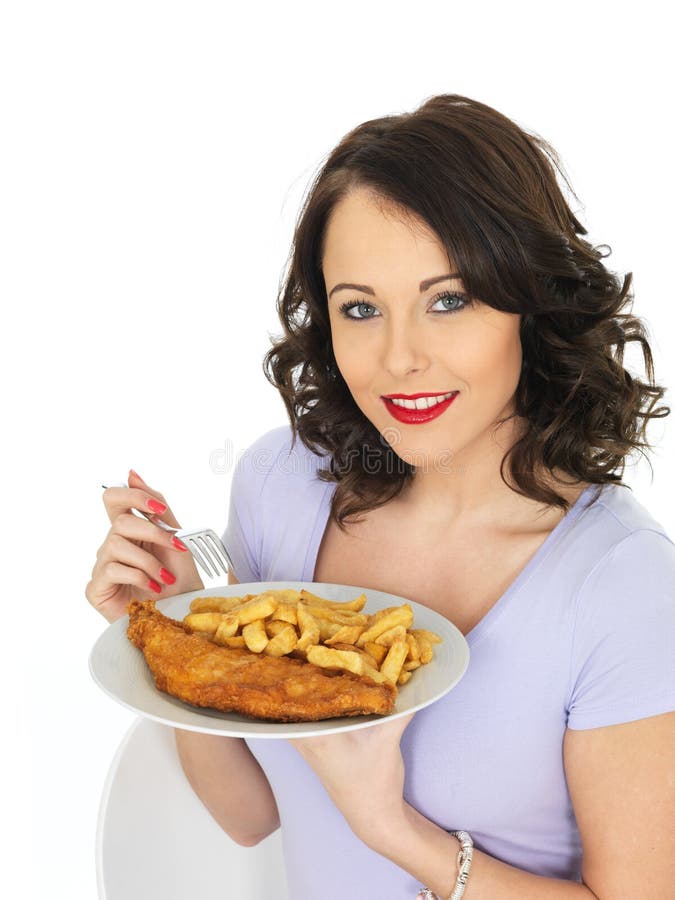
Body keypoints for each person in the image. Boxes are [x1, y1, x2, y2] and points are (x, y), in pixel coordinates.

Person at [86, 94, 675, 899]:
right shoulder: (279, 487)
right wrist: (169, 628)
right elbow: (248, 815)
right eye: (360, 309)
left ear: (530, 304)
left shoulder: (623, 584)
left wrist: (389, 827)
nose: (399, 358)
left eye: (448, 300)